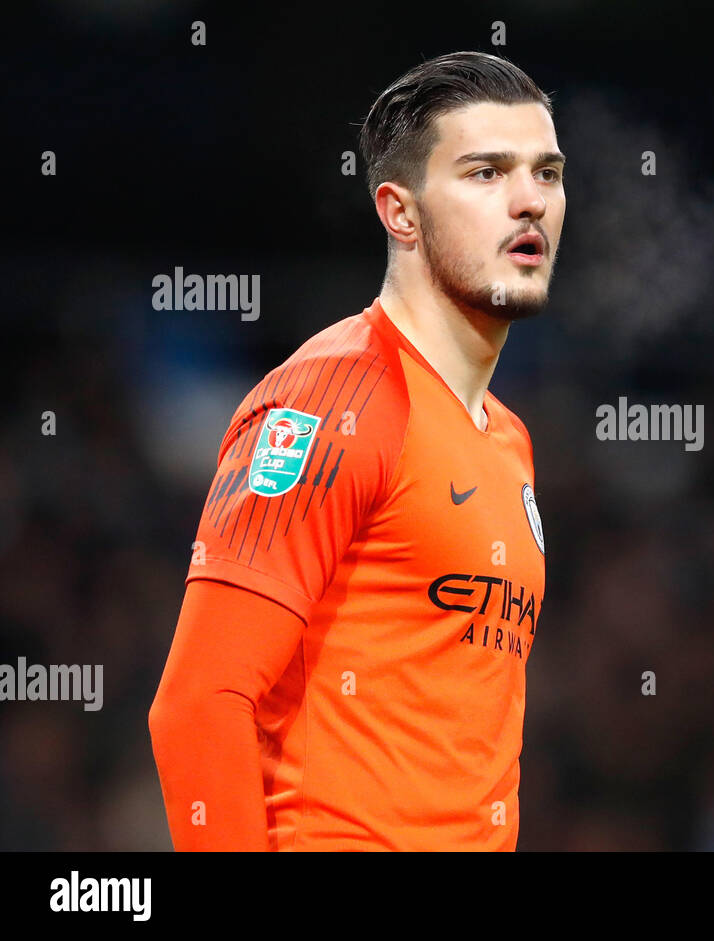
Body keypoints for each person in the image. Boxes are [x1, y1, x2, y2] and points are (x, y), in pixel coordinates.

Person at [148, 50, 564, 850]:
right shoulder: (336, 395)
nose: (528, 202)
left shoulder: (508, 438)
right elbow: (200, 700)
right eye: (485, 173)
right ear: (400, 213)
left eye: (546, 174)